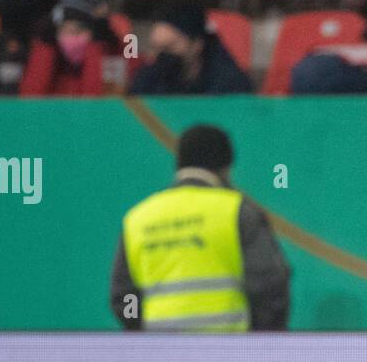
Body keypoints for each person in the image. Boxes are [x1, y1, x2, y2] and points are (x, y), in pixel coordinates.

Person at [110, 125, 290, 332]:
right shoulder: (237, 211)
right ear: (226, 167)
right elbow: (268, 286)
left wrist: (142, 331)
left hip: (162, 355)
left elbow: (125, 297)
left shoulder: (138, 218)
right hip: (228, 352)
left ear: (179, 164)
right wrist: (261, 340)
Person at [20, 0, 130, 97]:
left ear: (96, 33)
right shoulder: (50, 54)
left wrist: (95, 49)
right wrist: (45, 49)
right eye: (63, 29)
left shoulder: (116, 56)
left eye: (78, 30)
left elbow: (97, 102)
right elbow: (30, 99)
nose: (70, 37)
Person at [129, 2, 252, 95]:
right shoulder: (148, 78)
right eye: (155, 48)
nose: (159, 56)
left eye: (169, 47)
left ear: (196, 45)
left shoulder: (230, 84)